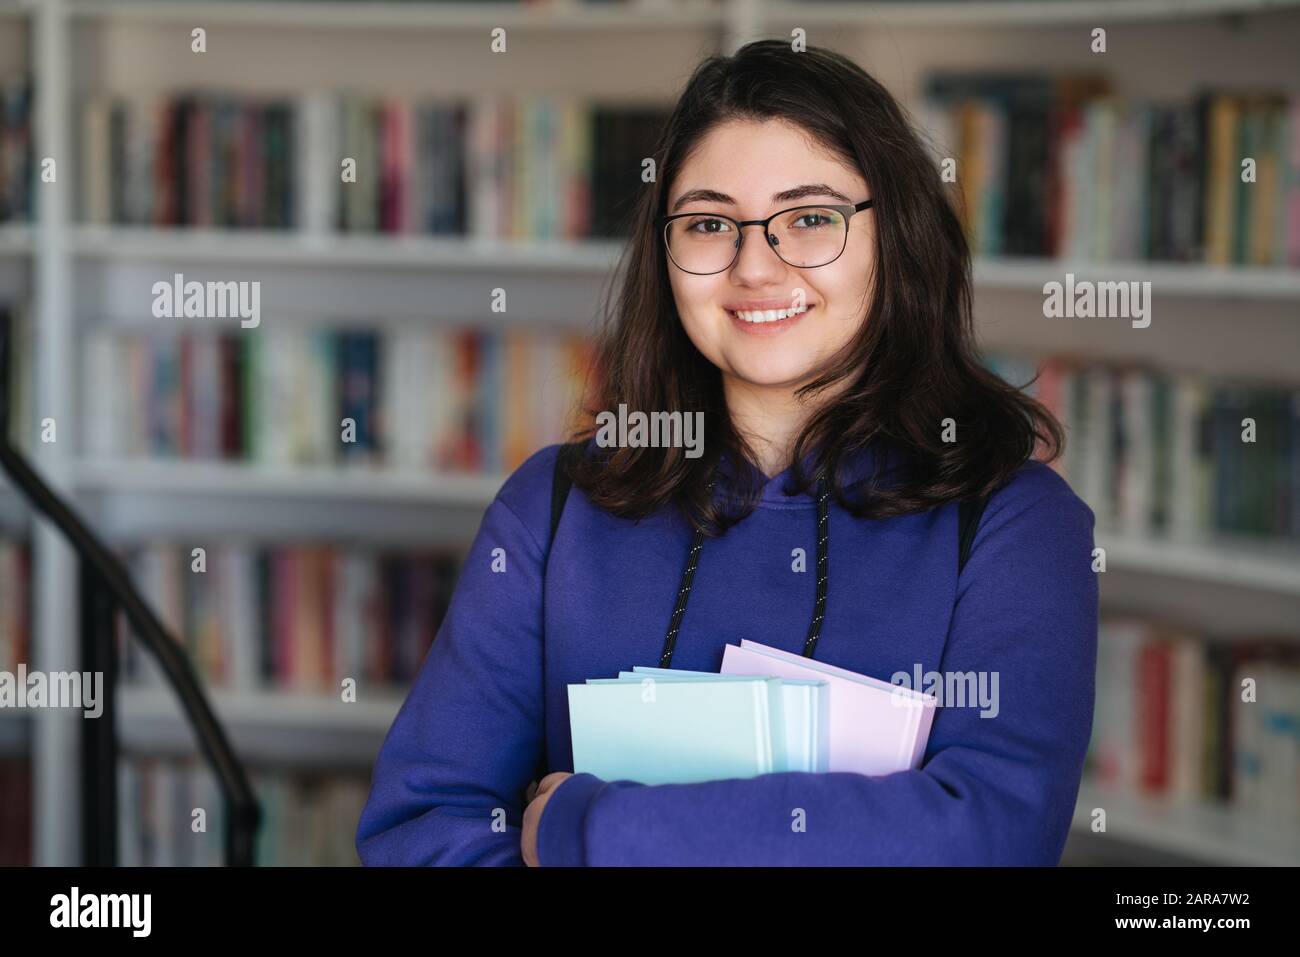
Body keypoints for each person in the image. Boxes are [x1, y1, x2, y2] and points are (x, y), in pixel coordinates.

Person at [355, 39, 1097, 866]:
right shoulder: (551, 506)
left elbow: (988, 836)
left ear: (900, 237)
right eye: (710, 223)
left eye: (810, 217)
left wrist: (590, 828)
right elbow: (419, 828)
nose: (754, 265)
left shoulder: (1017, 525)